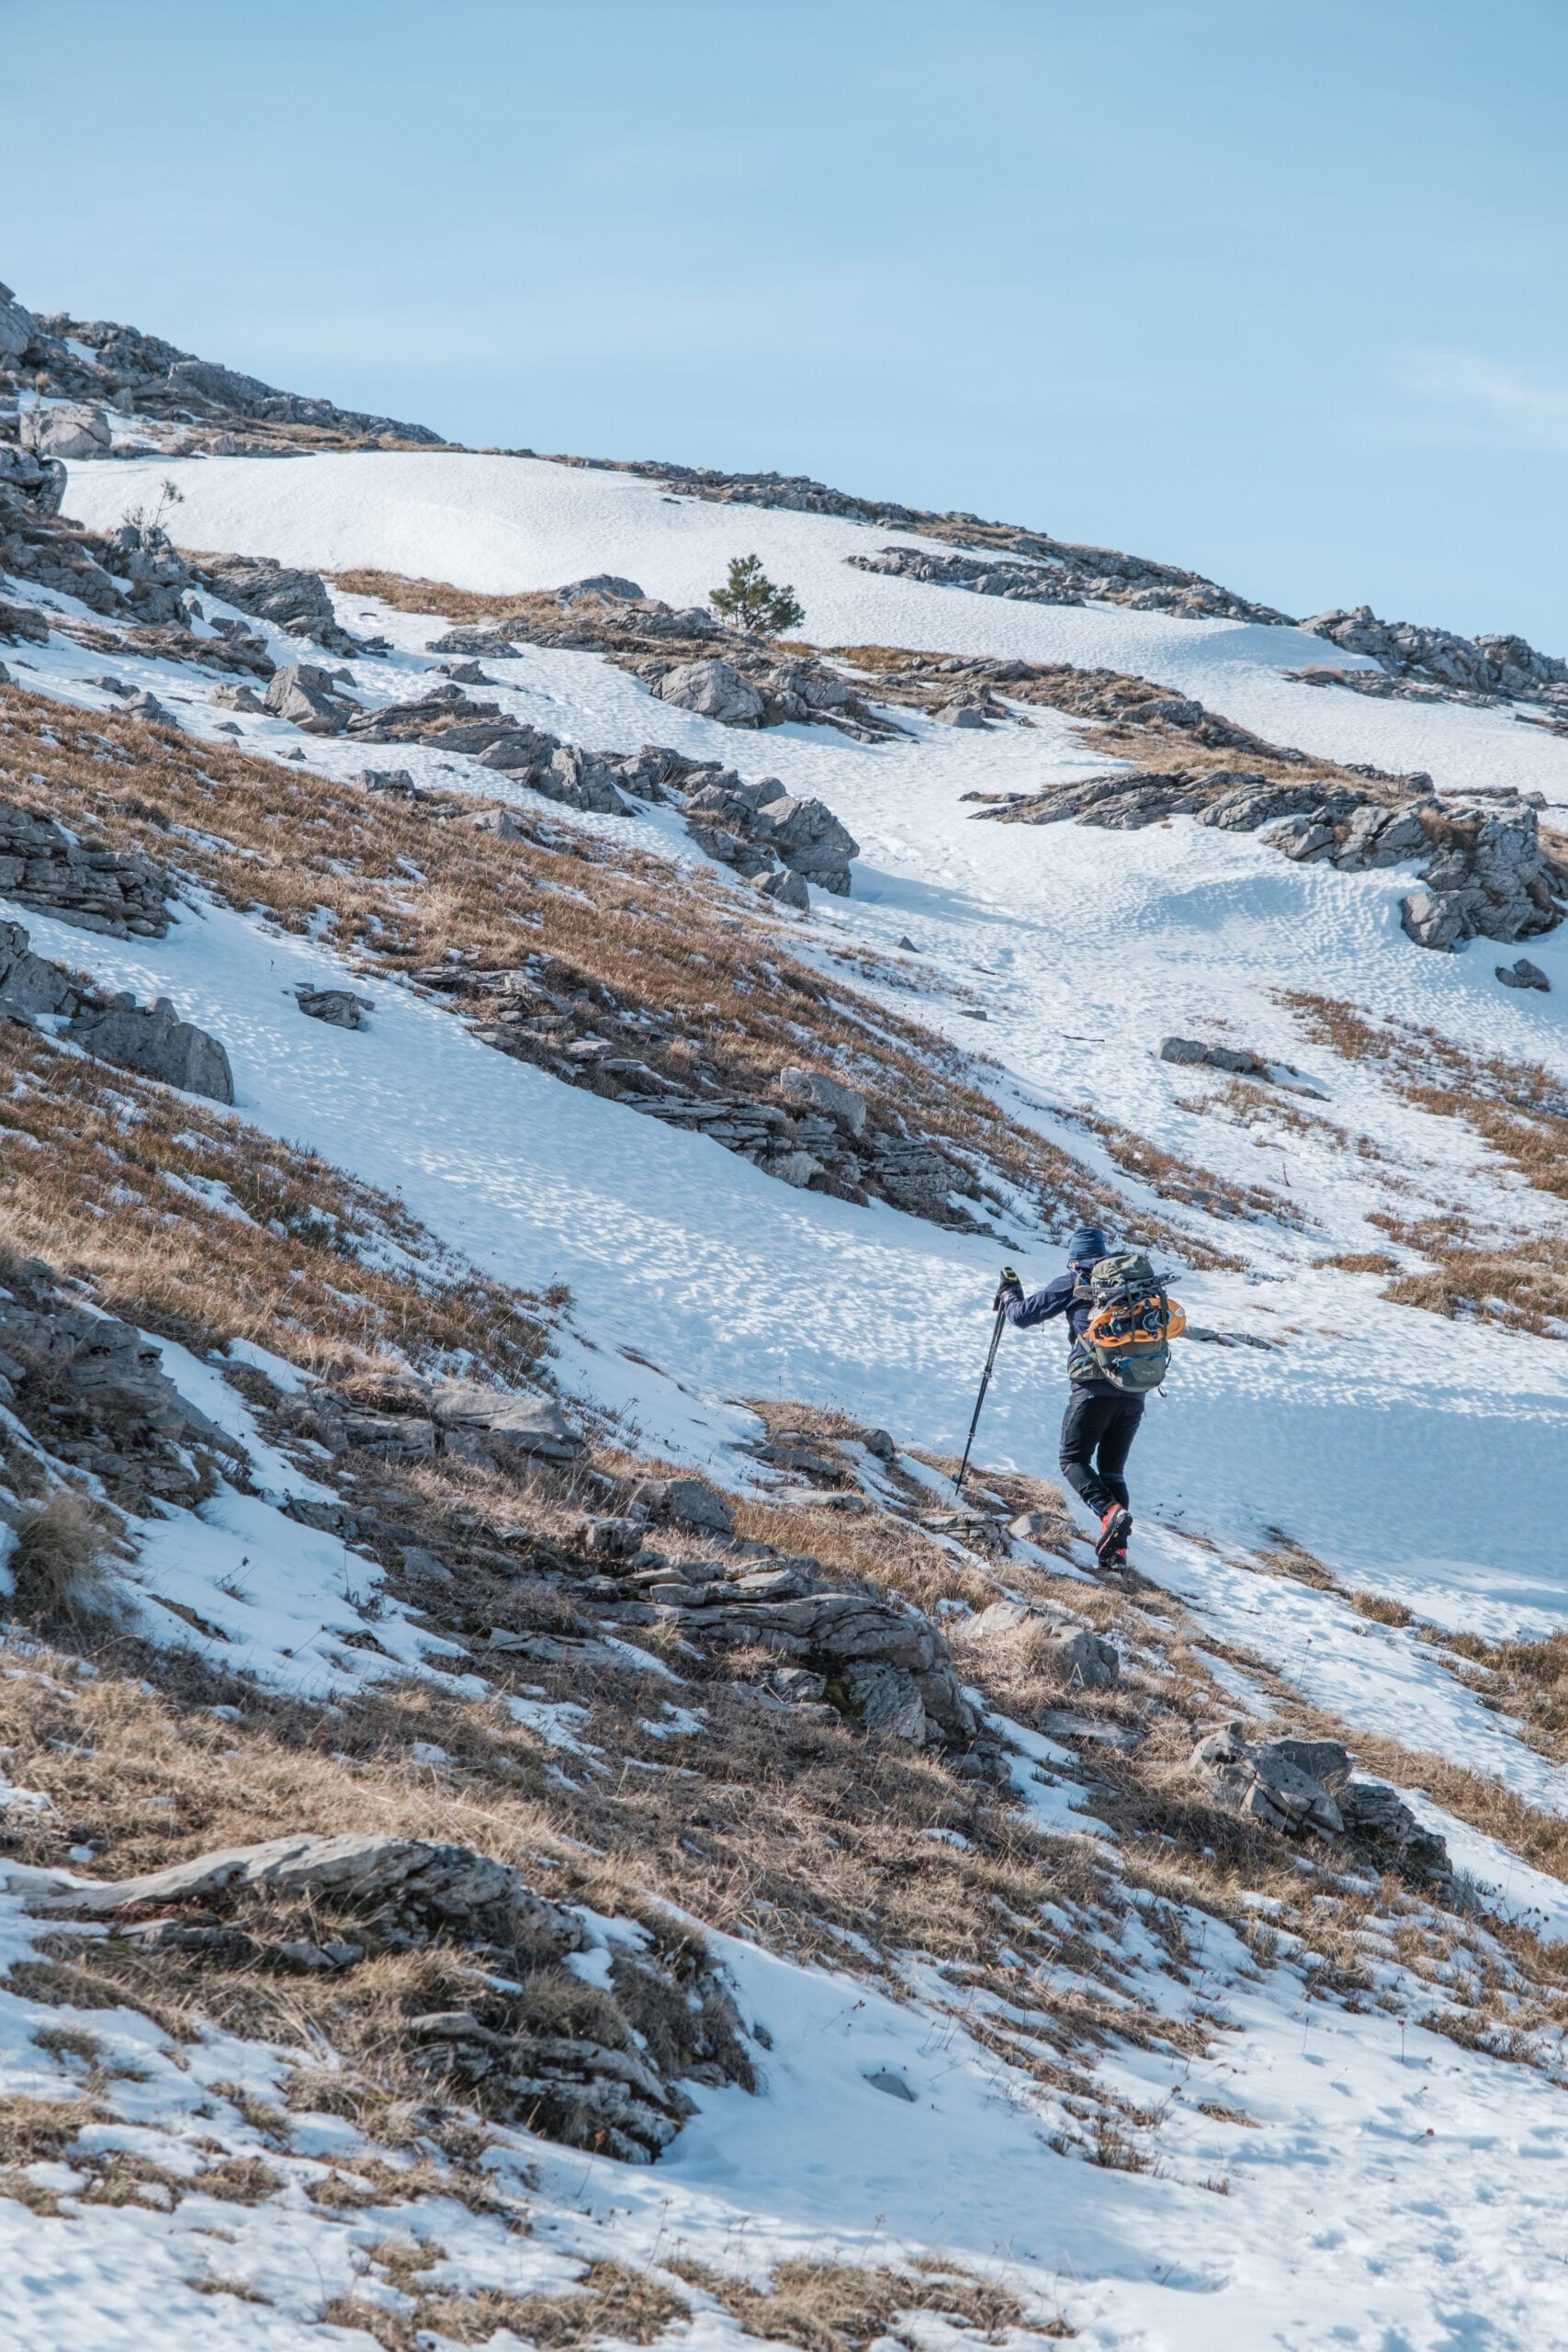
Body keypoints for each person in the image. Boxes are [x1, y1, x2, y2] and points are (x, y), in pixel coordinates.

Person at [994, 1225, 1141, 1568]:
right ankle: (1115, 1556)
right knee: (1113, 1472)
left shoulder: (1076, 1281)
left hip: (1093, 1389)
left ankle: (1110, 1512)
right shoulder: (1133, 1284)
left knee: (1073, 1460)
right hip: (1135, 1392)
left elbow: (1022, 1316)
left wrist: (1009, 1294)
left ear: (1076, 1259)